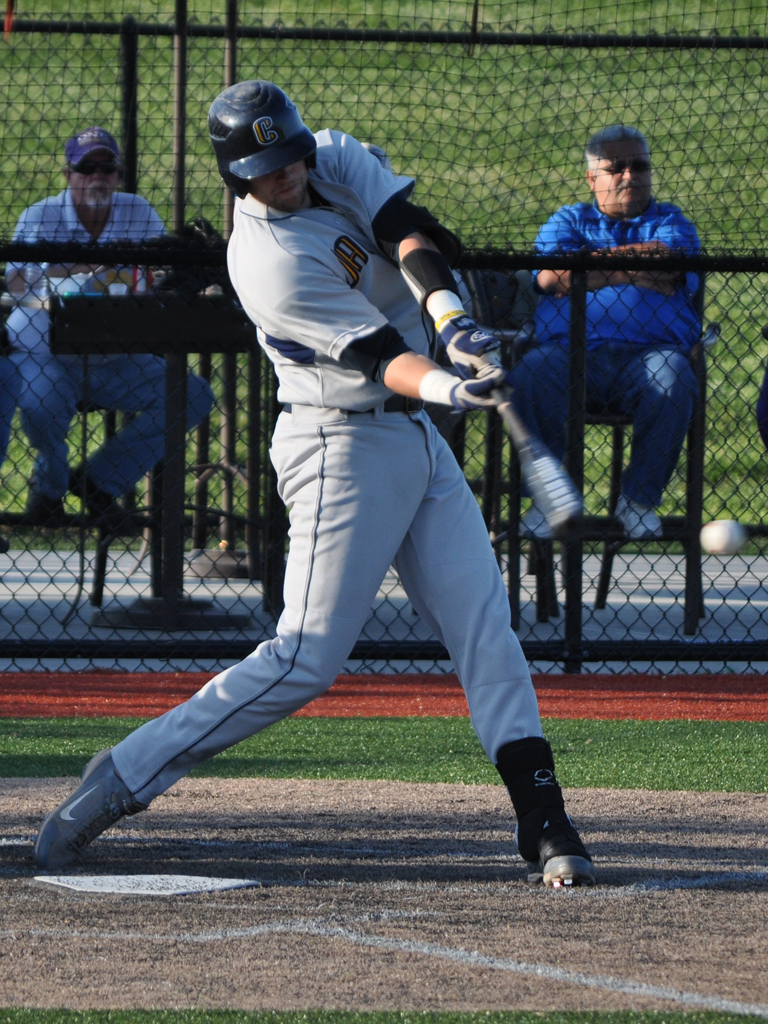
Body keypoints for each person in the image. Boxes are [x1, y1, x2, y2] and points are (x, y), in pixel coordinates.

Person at [33, 82, 596, 889]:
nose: (288, 175)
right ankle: (122, 776)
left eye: (290, 157)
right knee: (304, 659)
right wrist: (449, 386)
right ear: (237, 178)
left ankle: (546, 823)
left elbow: (405, 231)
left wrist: (449, 315)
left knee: (486, 628)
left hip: (412, 441)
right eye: (266, 169)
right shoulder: (265, 262)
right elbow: (374, 356)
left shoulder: (331, 155)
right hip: (337, 444)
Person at [4, 126, 214, 530]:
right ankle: (48, 490)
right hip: (47, 352)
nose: (98, 176)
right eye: (87, 167)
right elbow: (15, 282)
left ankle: (99, 482)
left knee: (192, 396)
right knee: (41, 406)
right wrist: (84, 267)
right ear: (69, 174)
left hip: (119, 354)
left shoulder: (138, 211)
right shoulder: (40, 214)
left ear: (118, 176)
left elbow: (157, 275)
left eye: (108, 167)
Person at [508, 125, 701, 539]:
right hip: (569, 356)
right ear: (592, 178)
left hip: (650, 358)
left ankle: (638, 501)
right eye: (617, 168)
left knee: (675, 374)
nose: (630, 175)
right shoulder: (567, 219)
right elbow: (552, 278)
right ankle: (548, 502)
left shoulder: (671, 220)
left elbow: (667, 265)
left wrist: (588, 264)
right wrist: (636, 268)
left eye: (639, 166)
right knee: (534, 369)